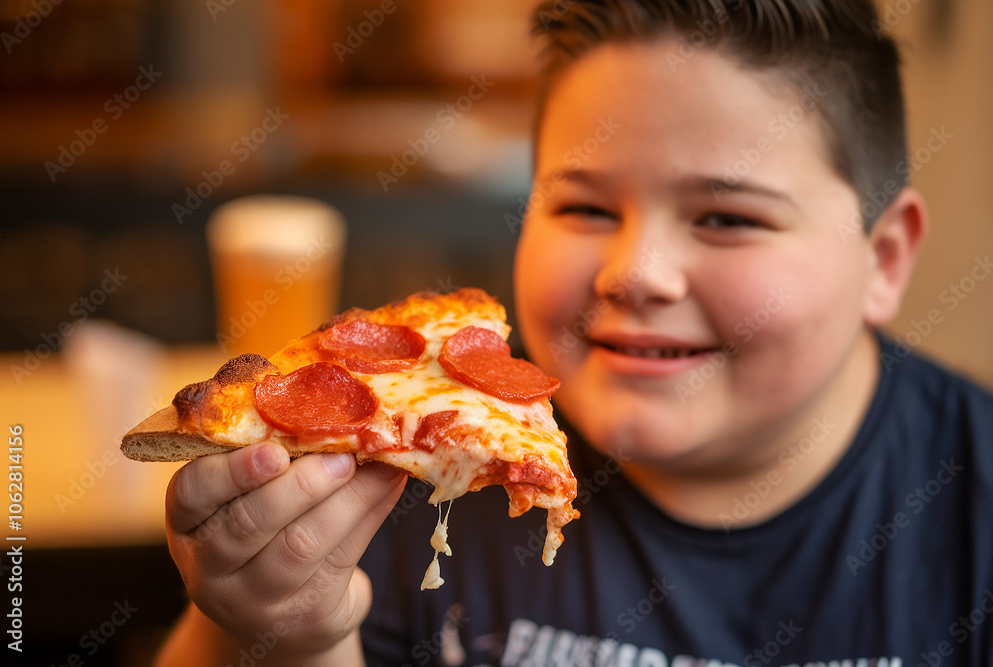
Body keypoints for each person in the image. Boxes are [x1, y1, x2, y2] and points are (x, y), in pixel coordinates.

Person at [155, 1, 993, 665]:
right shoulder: (405, 456)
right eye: (586, 206)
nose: (633, 271)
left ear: (883, 261)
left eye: (728, 217)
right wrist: (279, 638)